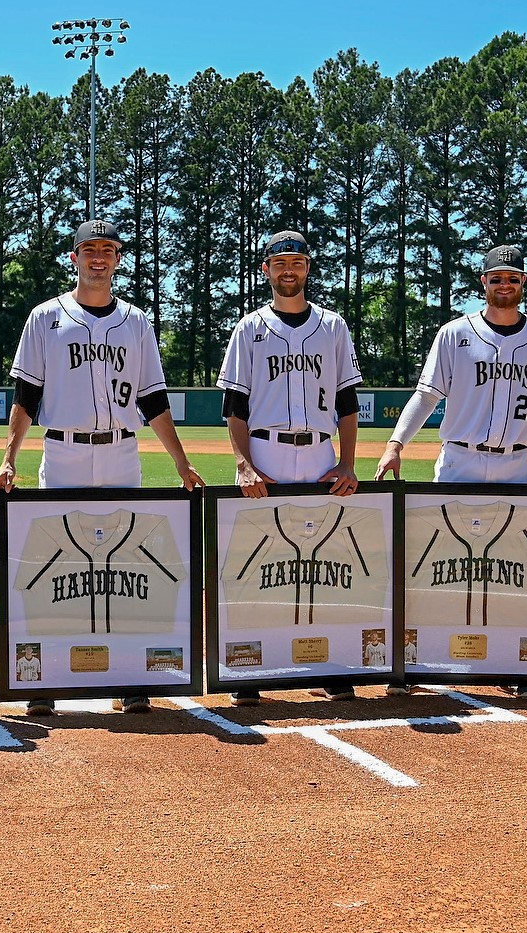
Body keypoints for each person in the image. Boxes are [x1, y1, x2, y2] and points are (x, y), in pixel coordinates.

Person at [0, 219, 203, 717]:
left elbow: (153, 398)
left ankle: (129, 676)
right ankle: (41, 676)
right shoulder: (46, 317)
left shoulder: (136, 322)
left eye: (108, 249)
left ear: (118, 259)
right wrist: (8, 459)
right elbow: (27, 395)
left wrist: (181, 462)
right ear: (74, 259)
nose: (99, 257)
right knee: (56, 564)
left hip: (121, 452)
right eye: (90, 249)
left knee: (125, 564)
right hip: (62, 452)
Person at [375, 244, 527, 701]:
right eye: (497, 278)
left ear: (523, 283)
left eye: (512, 277)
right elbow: (426, 395)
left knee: (515, 567)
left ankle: (513, 661)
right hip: (460, 461)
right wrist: (395, 445)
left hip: (517, 462)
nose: (504, 285)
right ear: (483, 283)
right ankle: (417, 655)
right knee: (436, 562)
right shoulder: (455, 334)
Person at [216, 230, 363, 707]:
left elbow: (347, 402)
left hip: (320, 453)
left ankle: (330, 663)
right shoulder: (249, 328)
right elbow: (234, 407)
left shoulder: (333, 327)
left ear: (307, 268)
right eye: (280, 262)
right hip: (268, 452)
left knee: (324, 560)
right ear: (266, 270)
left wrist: (348, 461)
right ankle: (250, 664)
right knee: (261, 561)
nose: (289, 270)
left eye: (297, 262)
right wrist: (244, 465)